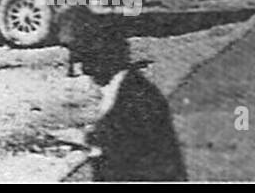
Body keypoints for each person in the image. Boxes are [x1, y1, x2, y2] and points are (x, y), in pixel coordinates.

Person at [61, 9, 187, 182]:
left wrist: (94, 144)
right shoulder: (127, 88)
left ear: (102, 59)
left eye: (83, 60)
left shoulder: (136, 98)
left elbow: (130, 158)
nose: (81, 70)